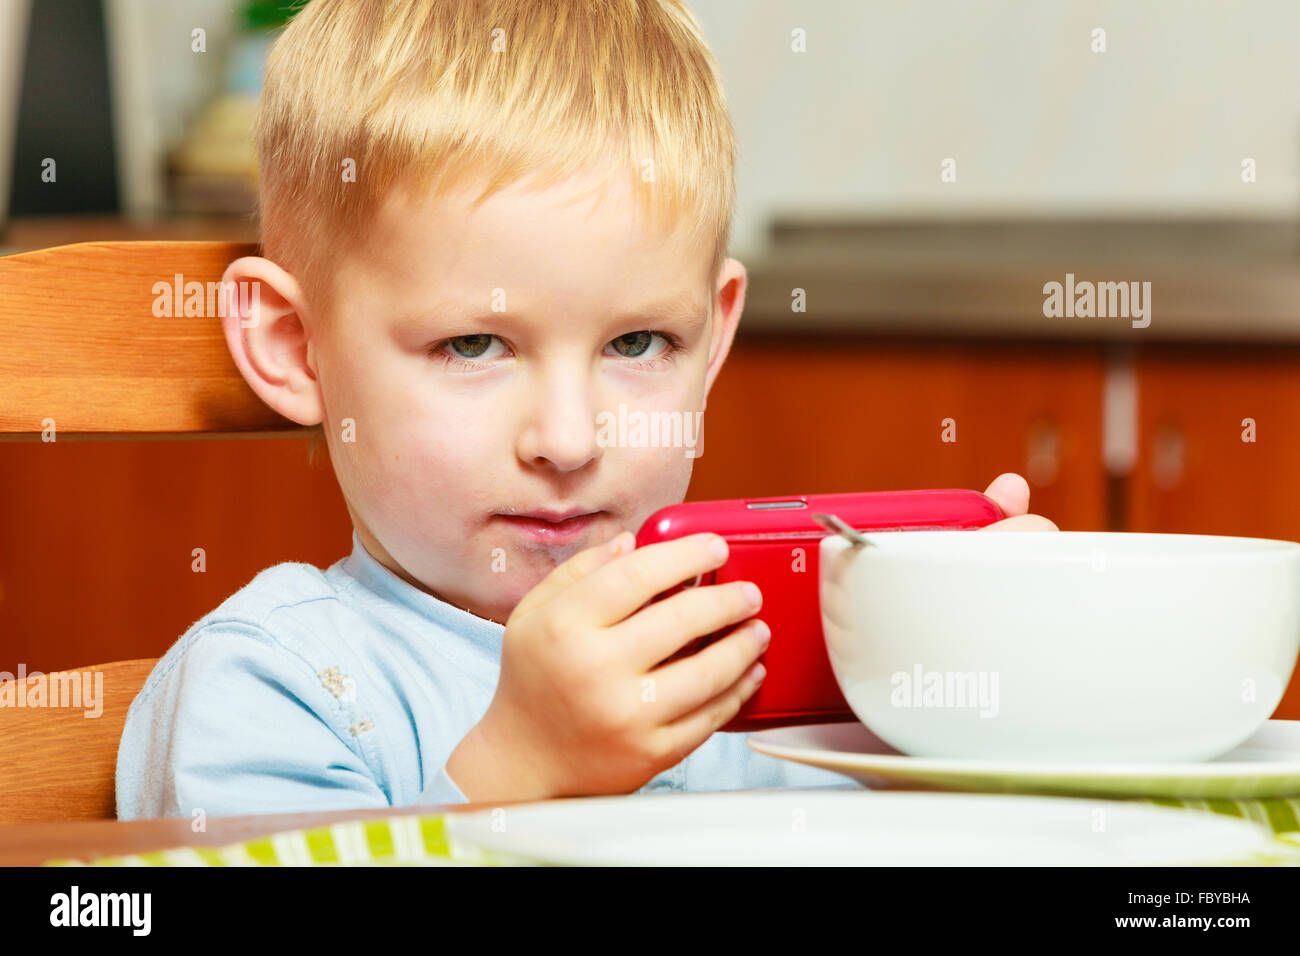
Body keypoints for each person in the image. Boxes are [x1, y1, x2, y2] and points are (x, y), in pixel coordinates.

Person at [116, 0, 1054, 820]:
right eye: (473, 346)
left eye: (638, 343)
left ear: (712, 339)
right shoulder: (268, 688)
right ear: (293, 345)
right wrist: (521, 772)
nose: (568, 442)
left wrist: (990, 719)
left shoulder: (785, 664)